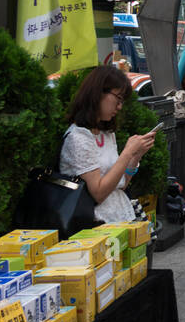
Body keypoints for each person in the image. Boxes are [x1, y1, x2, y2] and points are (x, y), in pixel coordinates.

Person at [59, 66, 157, 225]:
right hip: (97, 227)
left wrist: (135, 156)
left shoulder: (106, 134)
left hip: (121, 220)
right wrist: (127, 153)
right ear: (98, 93)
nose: (119, 107)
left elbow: (121, 184)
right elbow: (99, 193)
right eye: (118, 99)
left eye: (122, 101)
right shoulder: (78, 138)